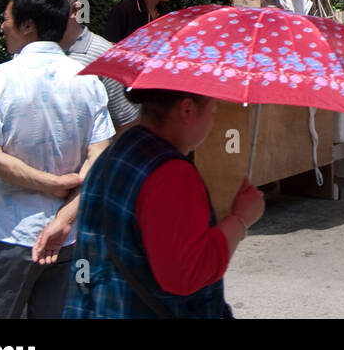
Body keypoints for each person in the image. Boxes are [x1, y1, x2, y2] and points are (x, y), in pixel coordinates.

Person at [0, 0, 113, 319]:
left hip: (9, 234)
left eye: (6, 17)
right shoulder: (88, 80)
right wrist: (63, 218)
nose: (2, 25)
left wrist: (49, 183)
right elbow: (100, 156)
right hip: (70, 237)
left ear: (27, 25)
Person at [63, 89, 265, 318]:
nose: (213, 122)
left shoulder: (117, 151)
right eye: (213, 110)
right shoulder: (172, 175)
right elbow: (185, 274)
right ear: (187, 109)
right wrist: (241, 218)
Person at [40, 0, 140, 136]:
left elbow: (128, 122)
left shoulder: (106, 56)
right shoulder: (28, 49)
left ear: (76, 9)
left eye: (48, 5)